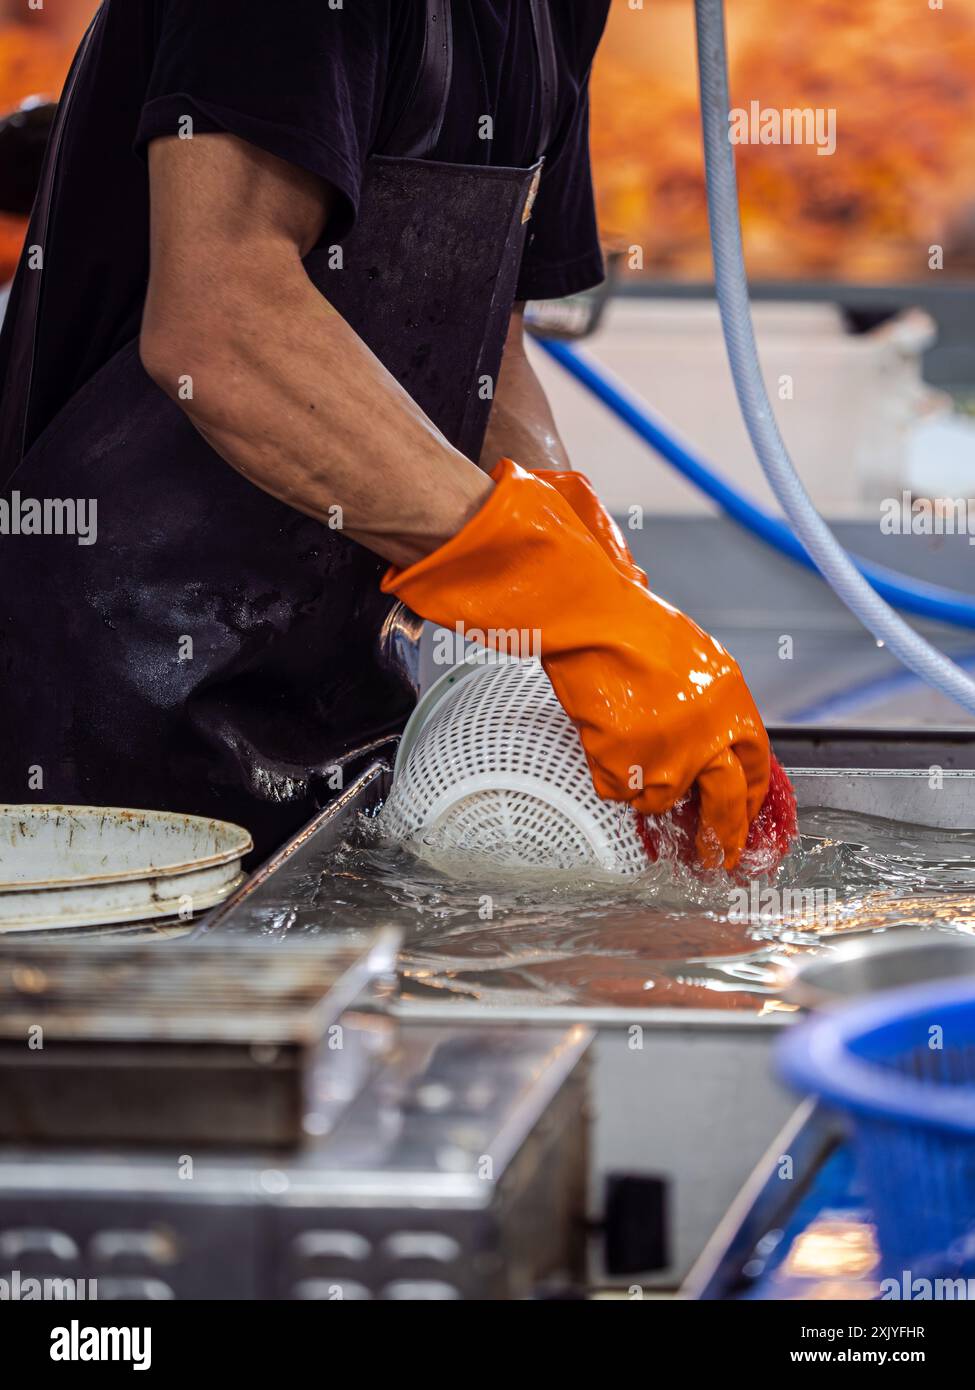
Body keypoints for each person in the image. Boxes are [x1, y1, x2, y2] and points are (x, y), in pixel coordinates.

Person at [0, 0, 769, 868]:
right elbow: (220, 326)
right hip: (92, 736)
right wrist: (558, 595)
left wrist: (609, 592)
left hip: (342, 722)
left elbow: (484, 345)